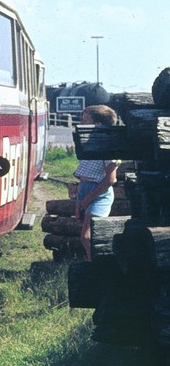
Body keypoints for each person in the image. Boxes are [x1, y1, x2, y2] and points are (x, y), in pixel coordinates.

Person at [73, 105, 119, 260]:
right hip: (85, 188)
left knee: (88, 236)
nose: (80, 122)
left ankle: (97, 267)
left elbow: (110, 179)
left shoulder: (108, 146)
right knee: (85, 235)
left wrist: (88, 198)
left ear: (97, 124)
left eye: (84, 119)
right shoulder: (91, 145)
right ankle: (92, 263)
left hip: (99, 193)